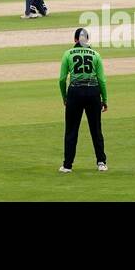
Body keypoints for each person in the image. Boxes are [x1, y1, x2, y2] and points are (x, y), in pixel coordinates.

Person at [59, 27, 108, 172]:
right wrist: (104, 99)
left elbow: (62, 79)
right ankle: (101, 163)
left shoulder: (68, 54)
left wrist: (65, 97)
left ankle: (67, 165)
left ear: (75, 40)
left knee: (71, 130)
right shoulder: (96, 55)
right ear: (87, 40)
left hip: (75, 92)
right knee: (96, 129)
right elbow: (102, 80)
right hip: (93, 92)